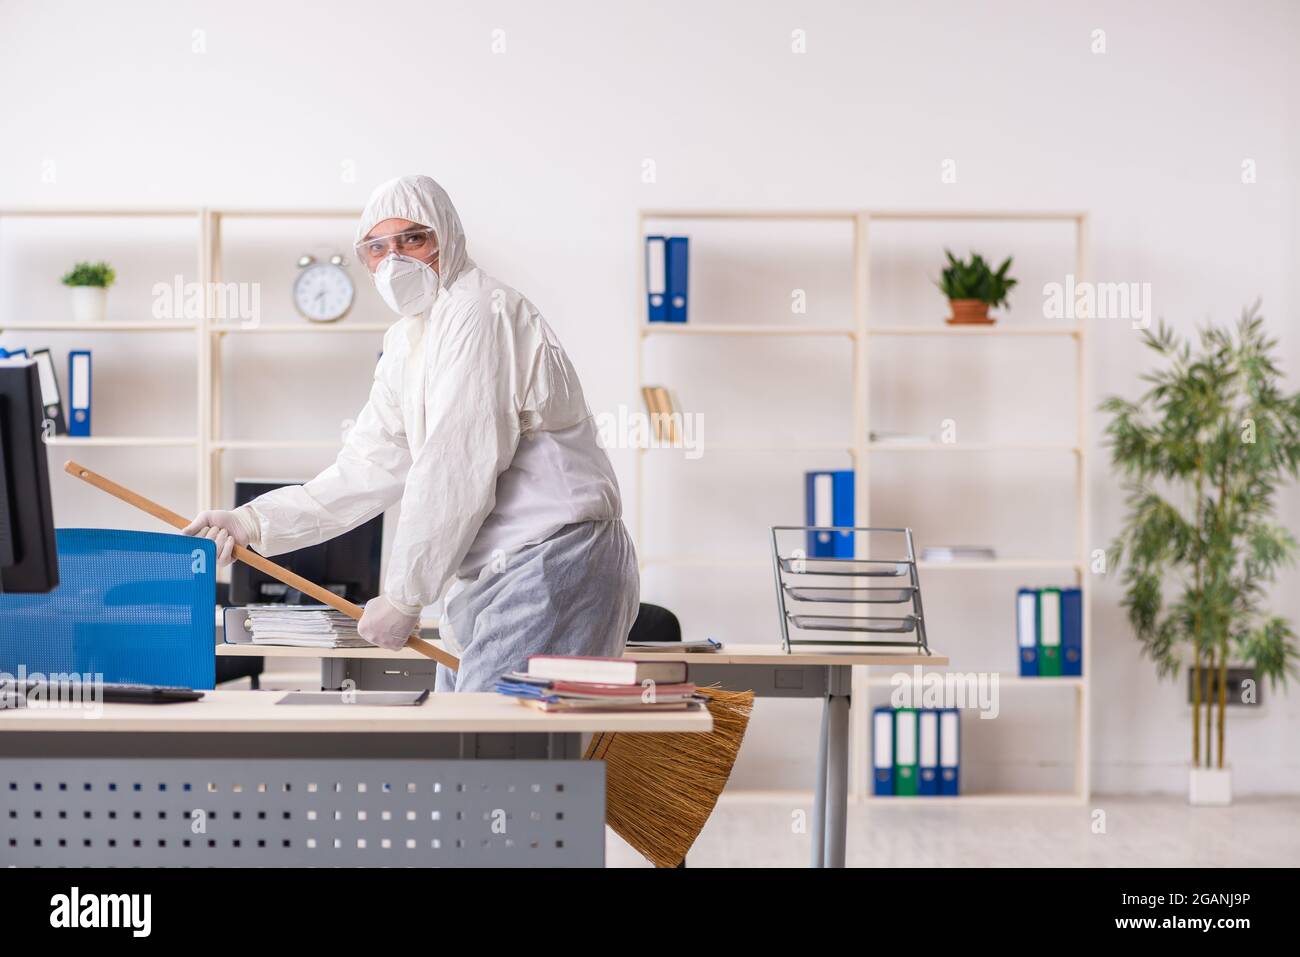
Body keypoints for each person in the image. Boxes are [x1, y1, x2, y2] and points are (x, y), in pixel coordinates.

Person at [184, 174, 639, 692]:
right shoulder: (408, 341)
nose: (394, 260)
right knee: (470, 732)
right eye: (377, 248)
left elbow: (455, 465)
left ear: (448, 237)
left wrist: (404, 596)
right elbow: (365, 469)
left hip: (553, 558)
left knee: (498, 736)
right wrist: (251, 522)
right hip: (496, 574)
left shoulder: (480, 311)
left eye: (413, 240)